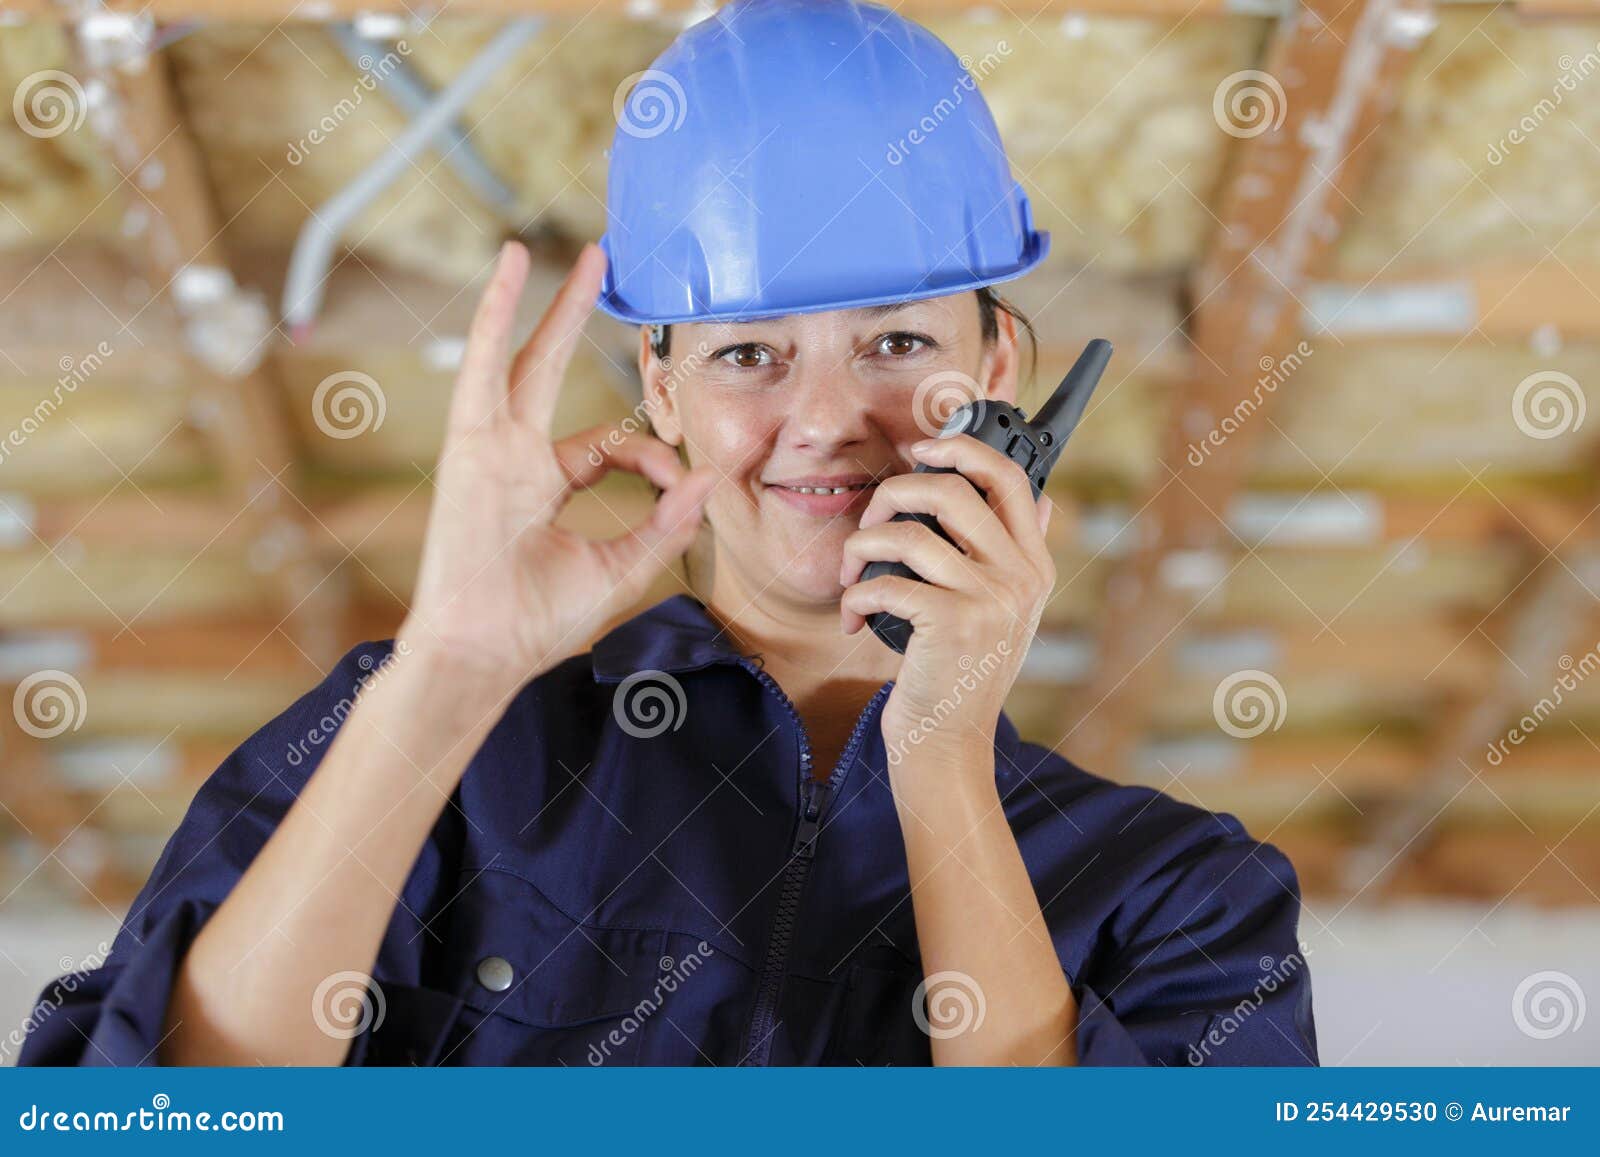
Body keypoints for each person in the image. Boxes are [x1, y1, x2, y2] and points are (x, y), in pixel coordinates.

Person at [18, 0, 1317, 1067]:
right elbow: (156, 1121)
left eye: (898, 343)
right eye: (748, 352)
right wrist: (445, 681)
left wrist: (937, 752)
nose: (823, 422)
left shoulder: (1182, 895)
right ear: (659, 388)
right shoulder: (431, 752)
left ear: (1004, 367)